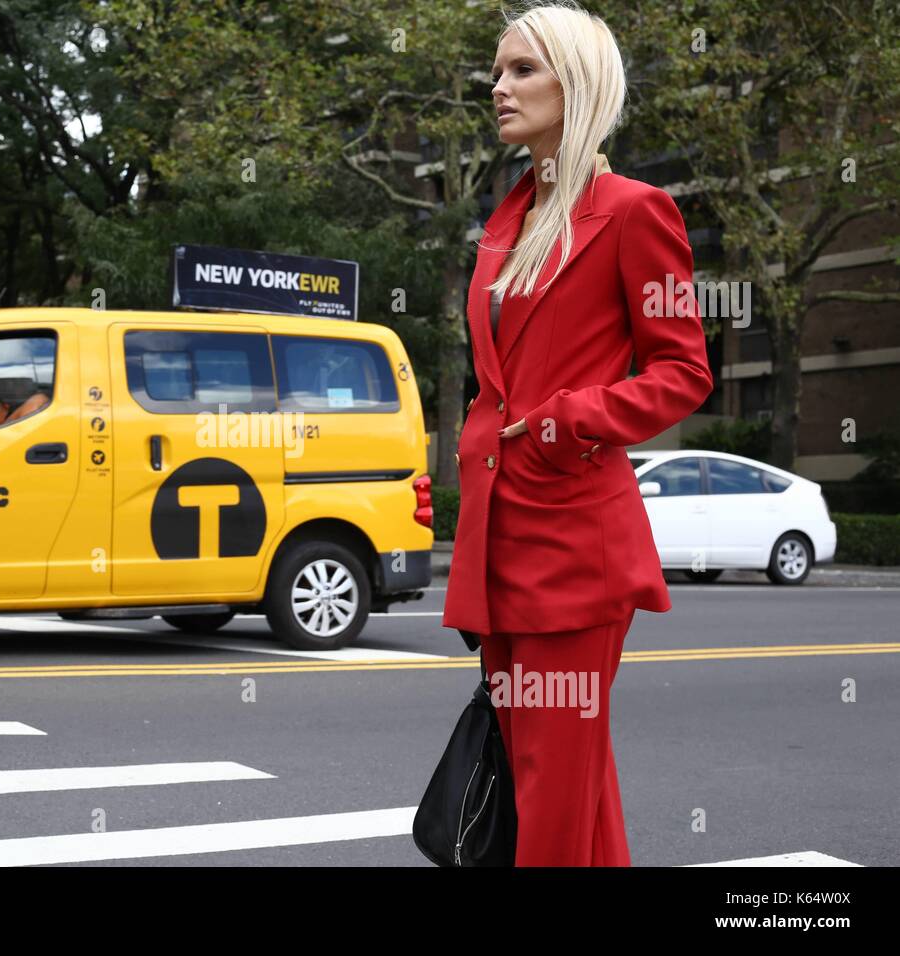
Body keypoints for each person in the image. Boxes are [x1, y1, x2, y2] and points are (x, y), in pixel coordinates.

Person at [440, 0, 714, 866]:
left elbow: (684, 373)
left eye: (522, 70)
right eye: (497, 71)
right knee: (558, 781)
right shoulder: (506, 223)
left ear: (577, 81)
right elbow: (498, 386)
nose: (499, 87)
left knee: (553, 785)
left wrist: (568, 420)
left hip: (572, 543)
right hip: (499, 539)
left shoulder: (637, 212)